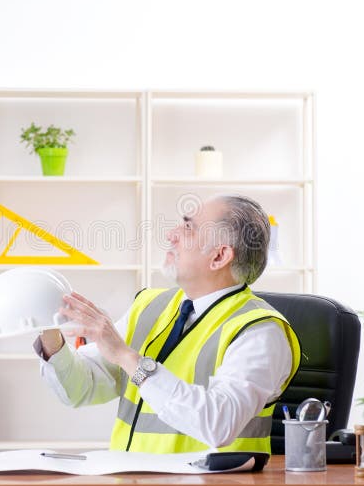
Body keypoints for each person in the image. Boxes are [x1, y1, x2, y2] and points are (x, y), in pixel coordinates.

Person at [36, 194, 301, 453]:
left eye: (188, 228)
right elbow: (81, 389)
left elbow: (219, 424)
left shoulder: (260, 332)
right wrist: (49, 332)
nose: (171, 234)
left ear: (219, 257)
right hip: (130, 477)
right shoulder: (150, 306)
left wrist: (125, 356)